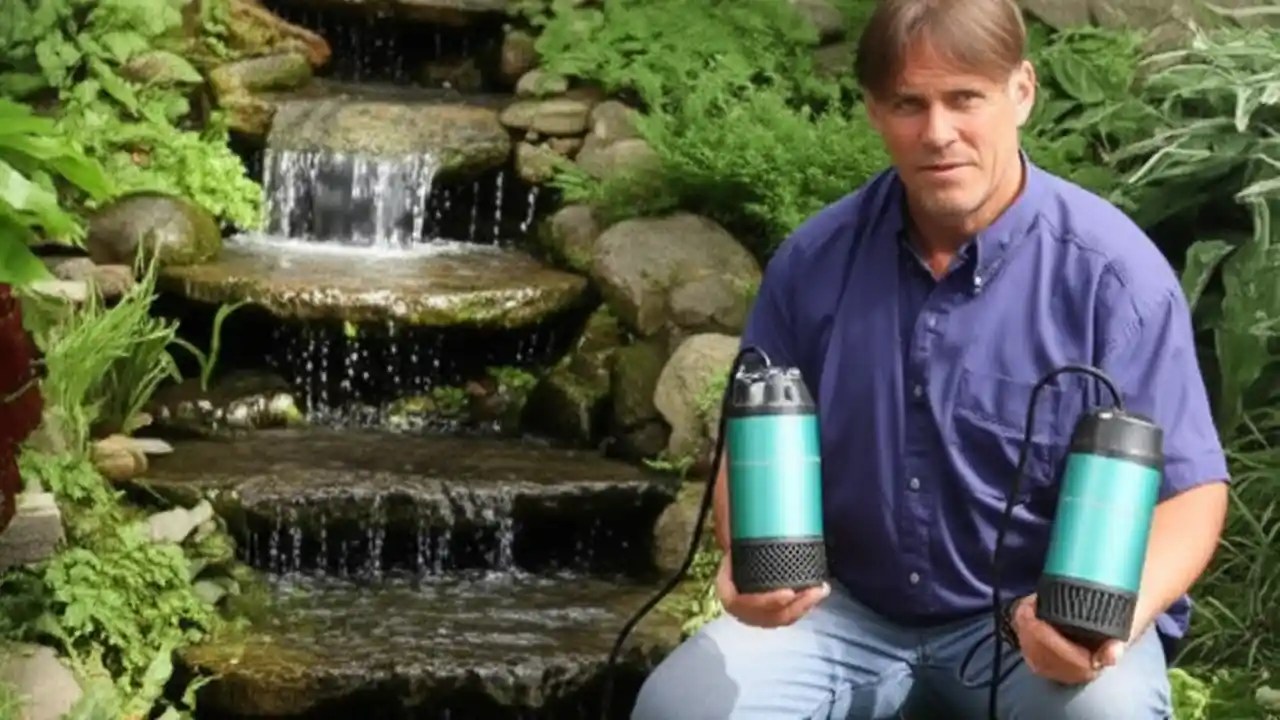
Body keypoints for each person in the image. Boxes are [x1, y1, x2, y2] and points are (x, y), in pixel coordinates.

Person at [629, 0, 1231, 718]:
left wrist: (1112, 623)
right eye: (909, 104)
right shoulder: (813, 265)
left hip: (1033, 620)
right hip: (842, 616)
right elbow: (750, 453)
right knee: (680, 706)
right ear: (875, 112)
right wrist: (749, 565)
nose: (938, 133)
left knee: (1109, 712)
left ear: (1022, 92)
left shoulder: (1113, 278)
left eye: (964, 99)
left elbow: (1192, 493)